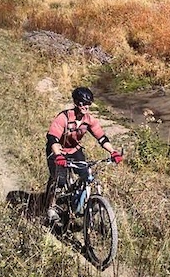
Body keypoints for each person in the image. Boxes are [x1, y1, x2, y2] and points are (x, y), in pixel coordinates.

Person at [45, 86, 122, 225]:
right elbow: (52, 138)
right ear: (76, 103)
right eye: (82, 103)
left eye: (88, 104)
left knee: (87, 176)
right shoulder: (64, 117)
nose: (85, 106)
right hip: (58, 151)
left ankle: (82, 204)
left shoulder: (89, 120)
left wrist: (113, 152)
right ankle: (51, 207)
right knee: (59, 180)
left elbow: (102, 138)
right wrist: (58, 155)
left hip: (74, 150)